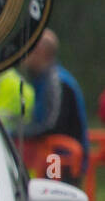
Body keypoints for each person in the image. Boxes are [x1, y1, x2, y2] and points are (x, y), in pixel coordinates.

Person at [18, 29, 88, 185]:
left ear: (39, 52)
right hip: (55, 157)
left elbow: (51, 125)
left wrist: (18, 133)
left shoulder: (55, 82)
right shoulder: (45, 80)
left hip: (61, 160)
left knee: (54, 200)